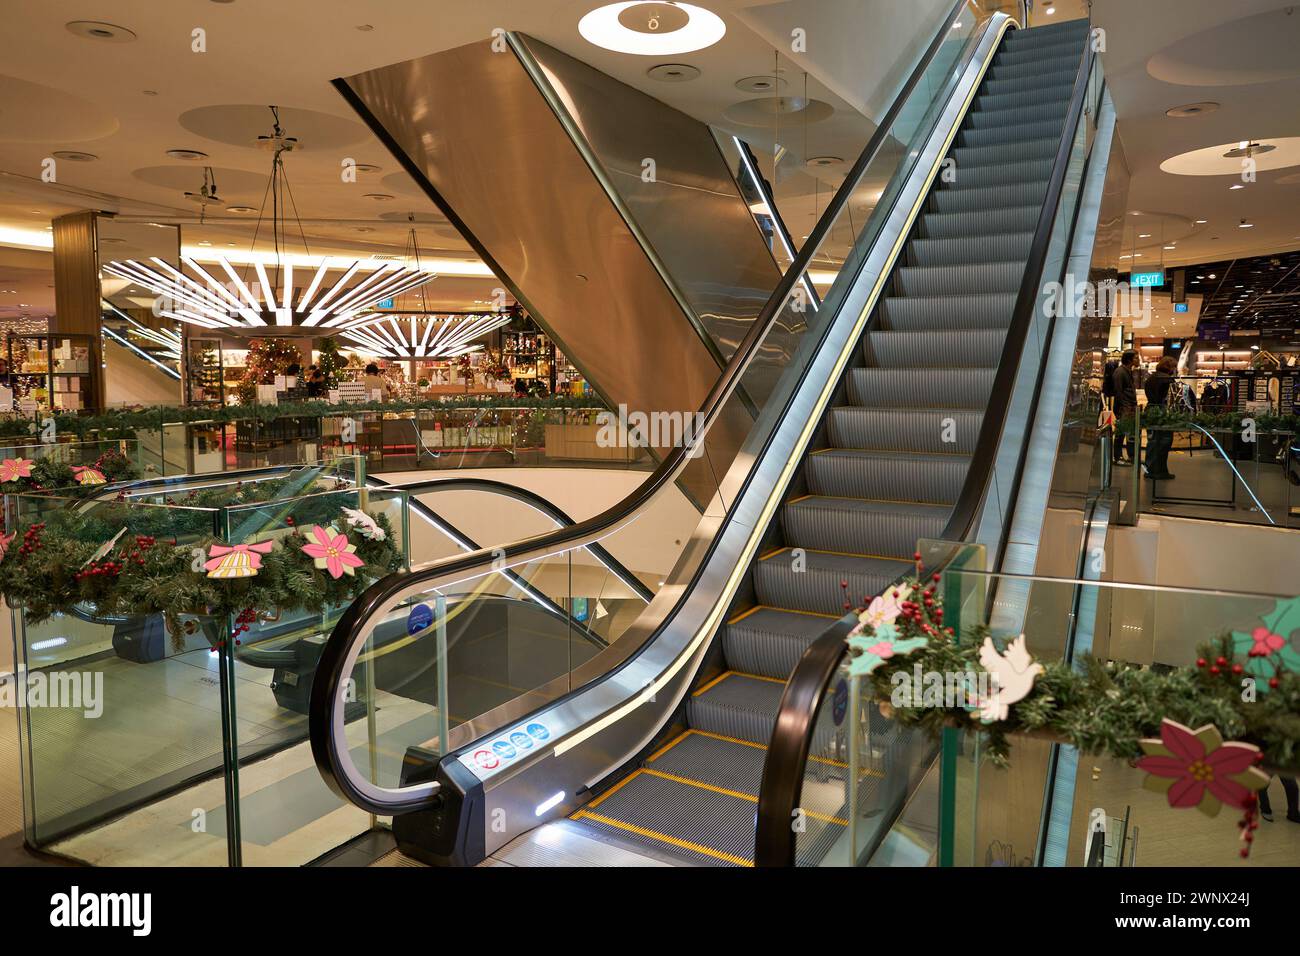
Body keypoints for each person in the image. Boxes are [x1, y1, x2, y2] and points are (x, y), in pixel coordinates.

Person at [1141, 356, 1177, 480]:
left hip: (1150, 409)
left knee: (1152, 441)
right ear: (1170, 367)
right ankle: (1161, 470)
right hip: (1162, 411)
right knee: (1164, 441)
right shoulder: (1168, 380)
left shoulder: (1150, 378)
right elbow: (1171, 398)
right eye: (1174, 367)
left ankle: (1150, 470)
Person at [1112, 350, 1139, 465]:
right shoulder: (1120, 372)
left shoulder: (1128, 371)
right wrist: (1122, 408)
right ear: (1129, 359)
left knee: (1130, 433)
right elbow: (1118, 392)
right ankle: (1117, 457)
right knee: (1120, 433)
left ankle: (1131, 456)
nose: (1138, 360)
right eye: (1136, 358)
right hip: (1124, 408)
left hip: (1130, 407)